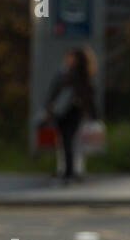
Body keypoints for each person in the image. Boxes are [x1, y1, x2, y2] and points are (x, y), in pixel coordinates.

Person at [42, 46, 98, 185]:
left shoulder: (75, 74)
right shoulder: (69, 72)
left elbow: (87, 95)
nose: (68, 59)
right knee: (67, 142)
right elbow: (54, 91)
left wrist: (93, 114)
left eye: (71, 57)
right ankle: (69, 170)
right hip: (65, 112)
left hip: (71, 112)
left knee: (69, 141)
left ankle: (70, 171)